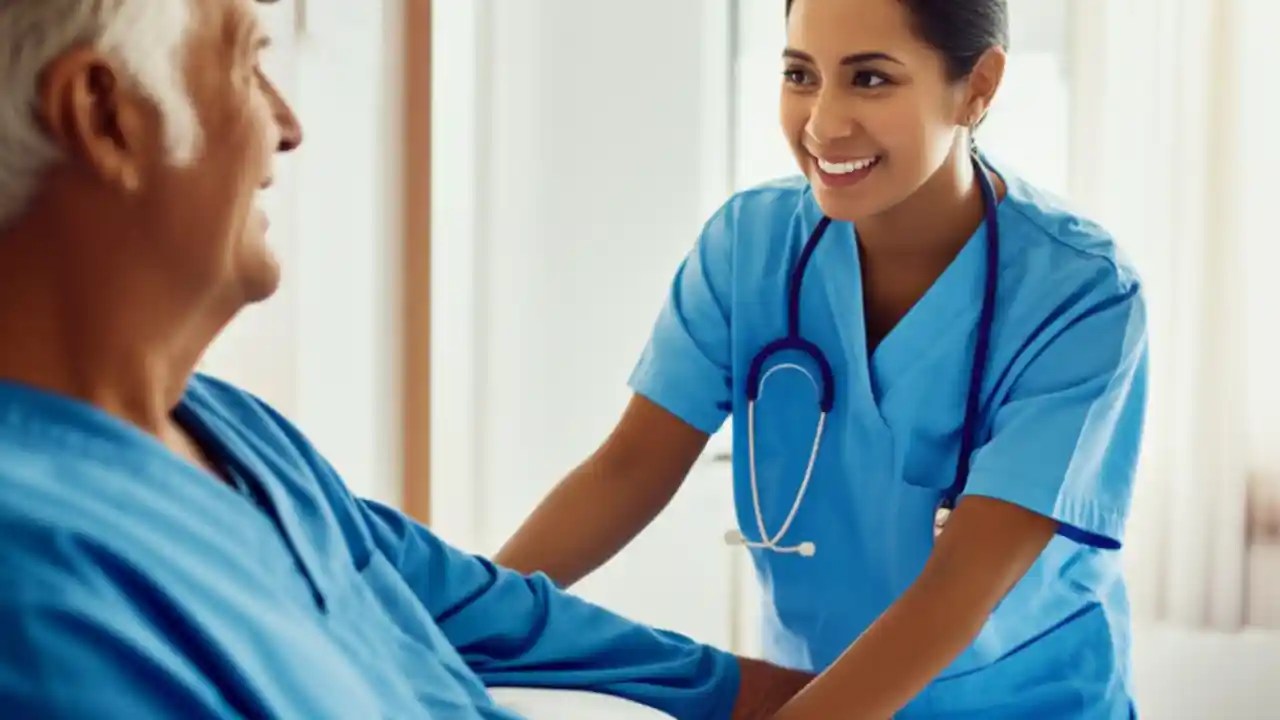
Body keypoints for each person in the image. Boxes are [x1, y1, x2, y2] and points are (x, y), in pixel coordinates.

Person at [0, 1, 813, 718]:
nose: (287, 126)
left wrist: (806, 702)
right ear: (106, 118)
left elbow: (490, 612)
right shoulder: (37, 588)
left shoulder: (234, 435)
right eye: (248, 64)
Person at [496, 0, 1149, 717]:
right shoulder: (749, 246)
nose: (823, 123)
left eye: (870, 79)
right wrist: (455, 617)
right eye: (800, 74)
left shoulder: (1082, 297)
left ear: (978, 87)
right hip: (806, 690)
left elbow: (957, 589)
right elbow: (626, 470)